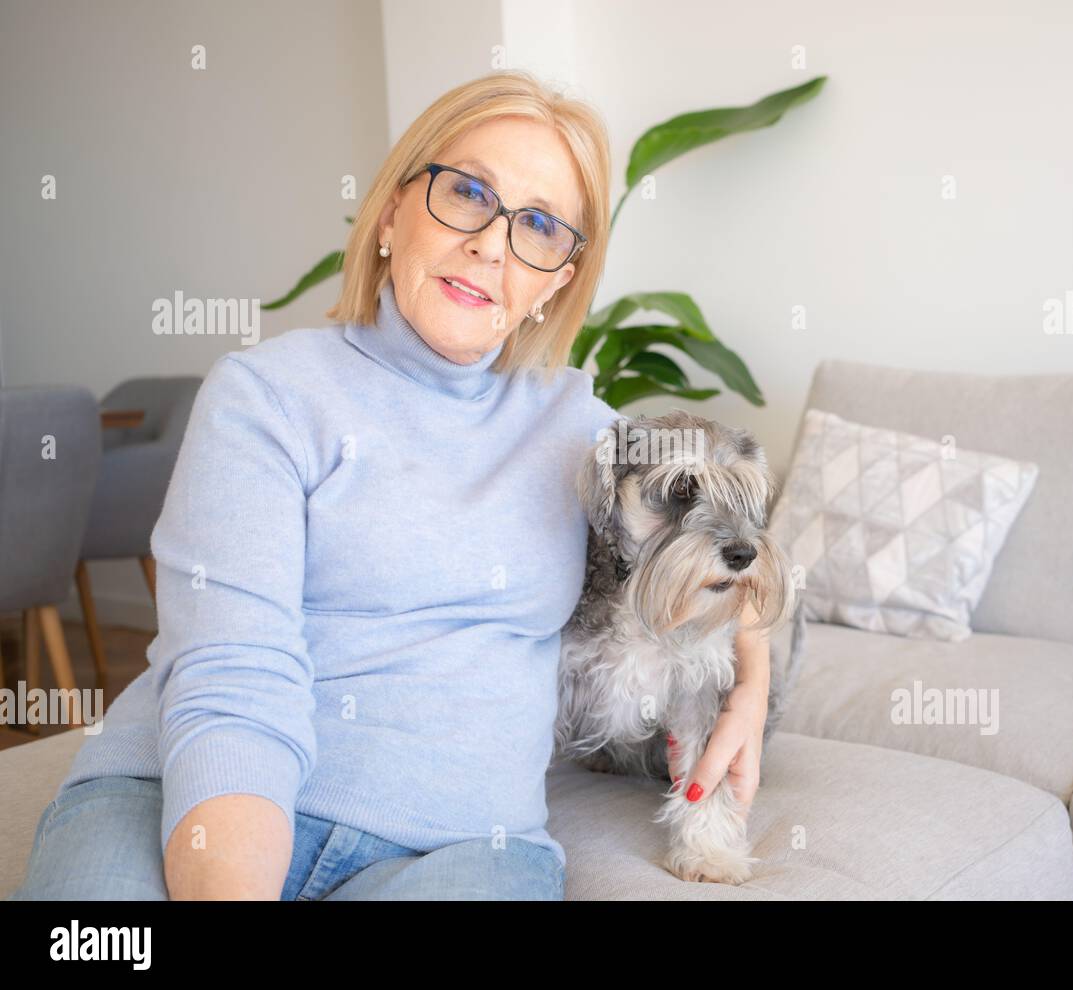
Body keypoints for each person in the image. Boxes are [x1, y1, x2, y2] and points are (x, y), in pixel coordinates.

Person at [9, 69, 772, 901]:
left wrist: (750, 687)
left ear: (557, 280)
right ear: (391, 211)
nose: (491, 243)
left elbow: (710, 531)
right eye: (468, 193)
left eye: (541, 226)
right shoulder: (263, 396)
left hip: (461, 849)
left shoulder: (588, 434)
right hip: (176, 799)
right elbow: (234, 677)